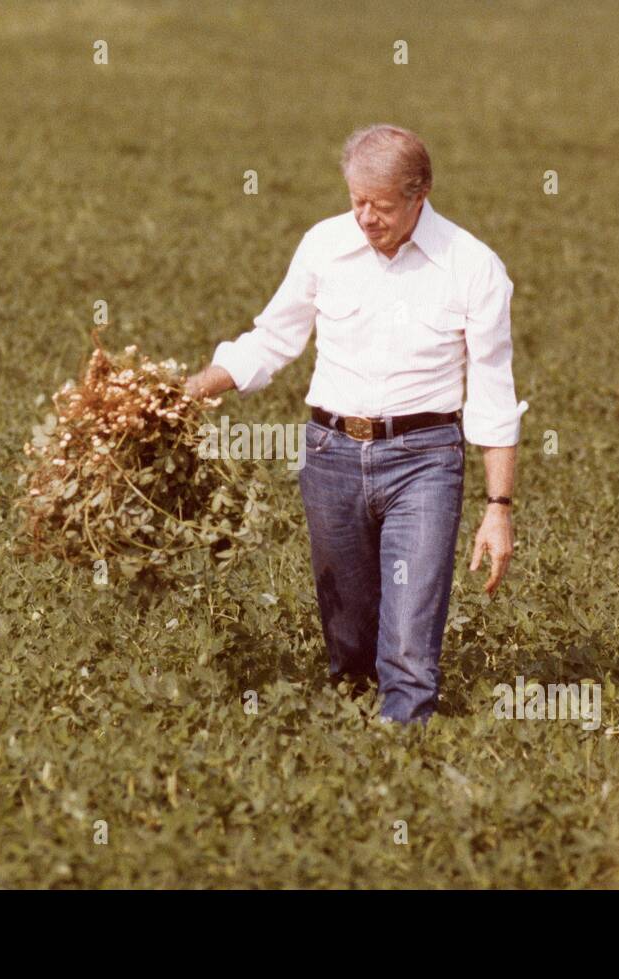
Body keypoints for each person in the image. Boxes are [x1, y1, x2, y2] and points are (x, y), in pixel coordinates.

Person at [184, 124, 528, 724]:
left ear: (419, 195)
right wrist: (189, 392)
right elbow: (272, 339)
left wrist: (498, 507)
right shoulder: (324, 246)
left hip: (424, 460)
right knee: (348, 644)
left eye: (381, 206)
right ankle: (348, 761)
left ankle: (403, 766)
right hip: (330, 457)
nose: (365, 218)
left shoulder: (472, 267)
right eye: (355, 201)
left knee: (410, 651)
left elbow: (494, 393)